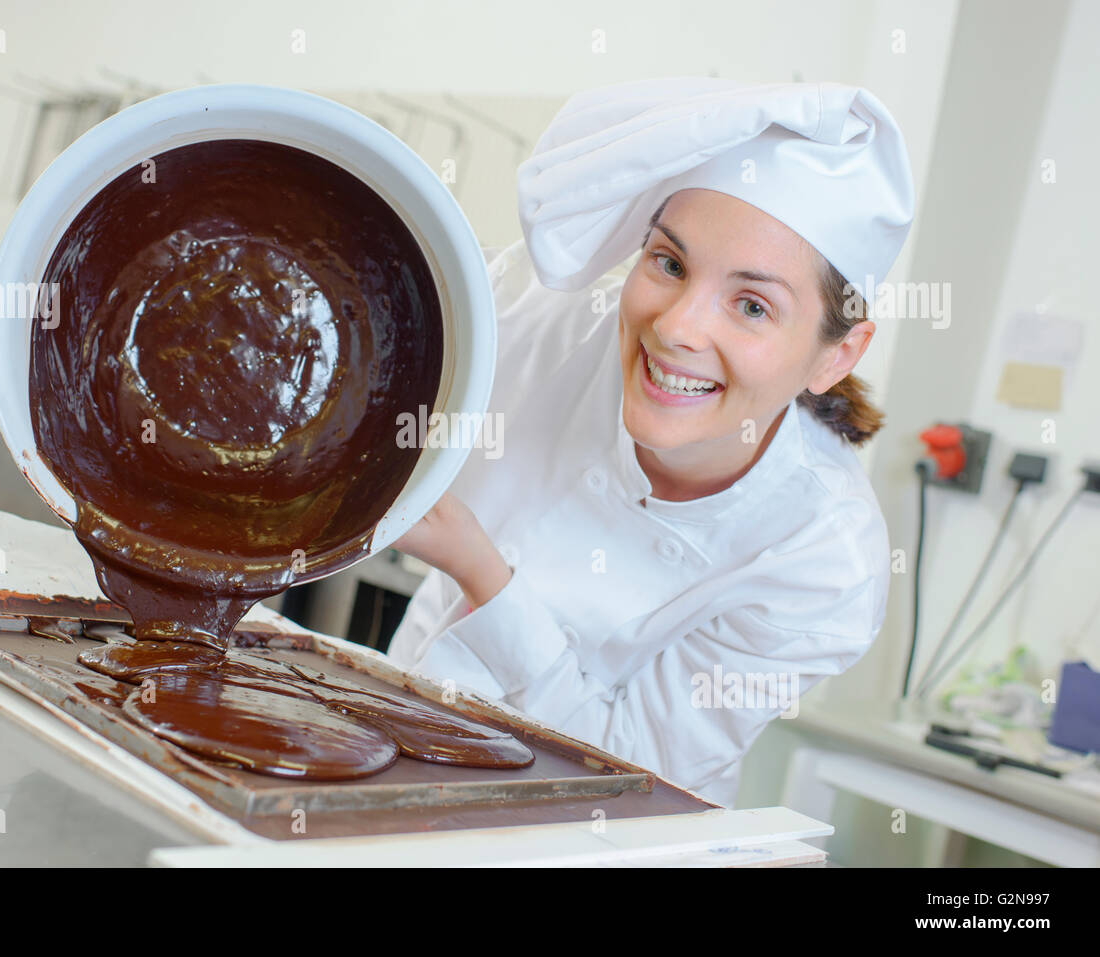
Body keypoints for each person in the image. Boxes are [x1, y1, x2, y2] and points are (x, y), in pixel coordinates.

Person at [386, 76, 916, 807]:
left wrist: (478, 566)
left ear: (838, 355)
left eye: (752, 305)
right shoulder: (540, 323)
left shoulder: (822, 557)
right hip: (393, 738)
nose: (675, 326)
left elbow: (631, 770)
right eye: (669, 262)